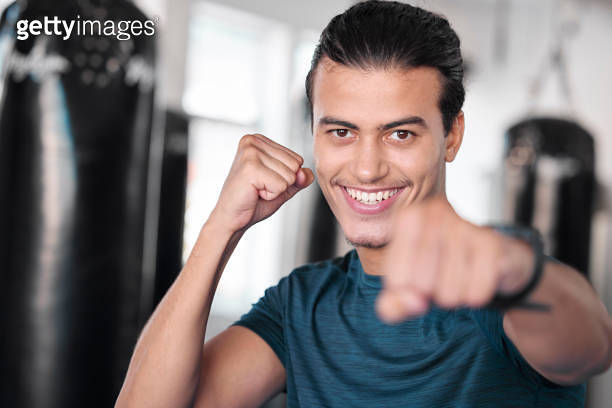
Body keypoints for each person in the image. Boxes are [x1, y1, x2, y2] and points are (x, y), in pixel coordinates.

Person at [115, 1, 612, 407]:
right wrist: (220, 228)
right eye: (341, 131)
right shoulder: (300, 307)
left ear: (451, 135)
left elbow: (587, 347)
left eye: (399, 133)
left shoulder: (497, 288)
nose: (367, 168)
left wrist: (519, 276)